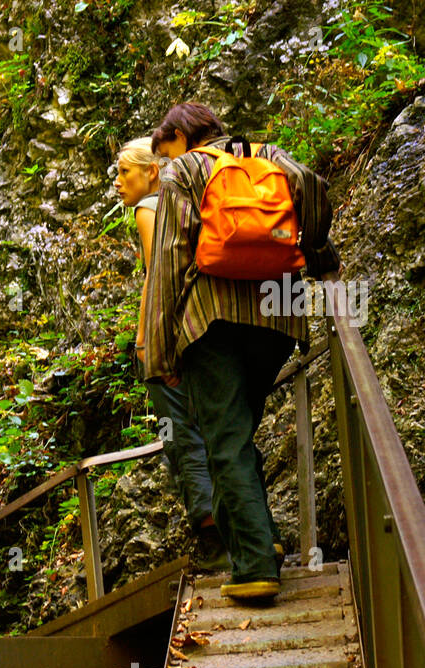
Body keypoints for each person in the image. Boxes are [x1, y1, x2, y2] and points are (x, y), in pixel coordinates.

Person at [141, 103, 340, 600]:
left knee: (224, 438)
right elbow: (314, 190)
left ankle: (253, 568)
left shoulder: (186, 172)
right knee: (234, 431)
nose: (165, 165)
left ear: (185, 138)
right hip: (279, 316)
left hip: (212, 318)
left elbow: (169, 261)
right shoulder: (269, 155)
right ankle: (264, 539)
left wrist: (160, 353)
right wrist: (314, 252)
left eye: (166, 153)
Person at [111, 138, 224, 569]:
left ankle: (212, 535)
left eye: (125, 172)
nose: (119, 183)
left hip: (169, 341)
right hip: (201, 331)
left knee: (178, 435)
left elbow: (155, 280)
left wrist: (144, 341)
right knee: (211, 429)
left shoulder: (148, 210)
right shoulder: (184, 205)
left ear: (151, 173)